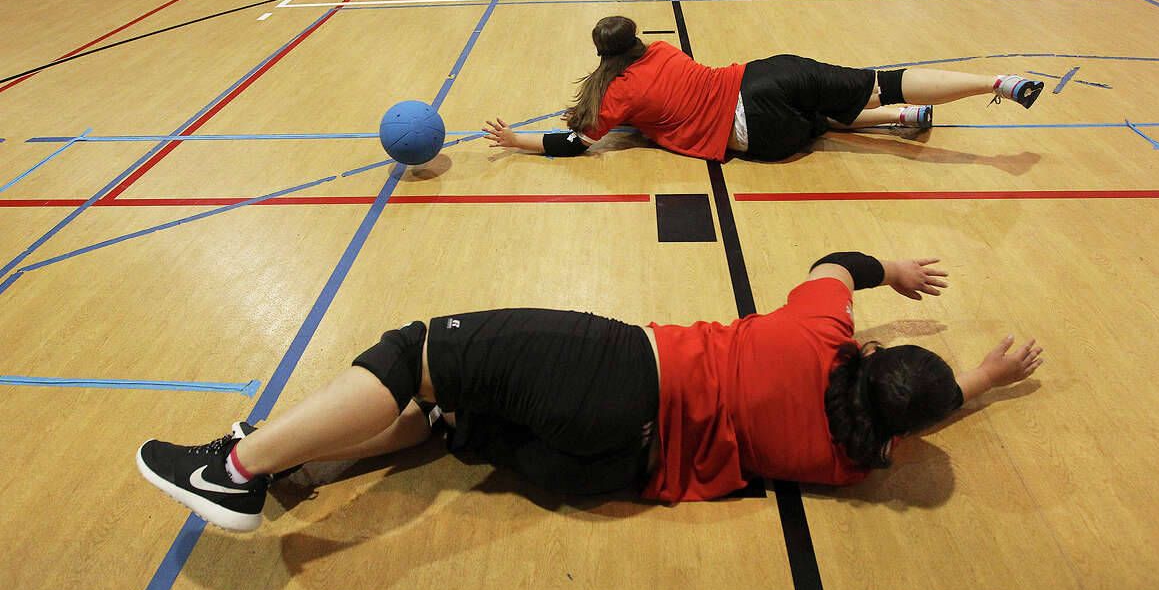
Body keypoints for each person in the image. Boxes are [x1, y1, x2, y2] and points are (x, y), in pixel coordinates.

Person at [136, 251, 1042, 532]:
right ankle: (300, 453)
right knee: (451, 416)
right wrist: (978, 386)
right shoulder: (856, 458)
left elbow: (836, 264)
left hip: (616, 376)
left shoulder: (817, 332)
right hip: (606, 475)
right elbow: (916, 412)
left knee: (418, 355)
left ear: (865, 351)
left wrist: (895, 275)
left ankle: (239, 468)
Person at [483, 16, 1045, 162]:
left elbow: (575, 144)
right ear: (637, 38)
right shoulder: (663, 49)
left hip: (750, 129)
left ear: (600, 55)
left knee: (820, 125)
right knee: (881, 81)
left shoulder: (613, 99)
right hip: (765, 72)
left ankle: (902, 121)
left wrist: (516, 140)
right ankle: (997, 80)